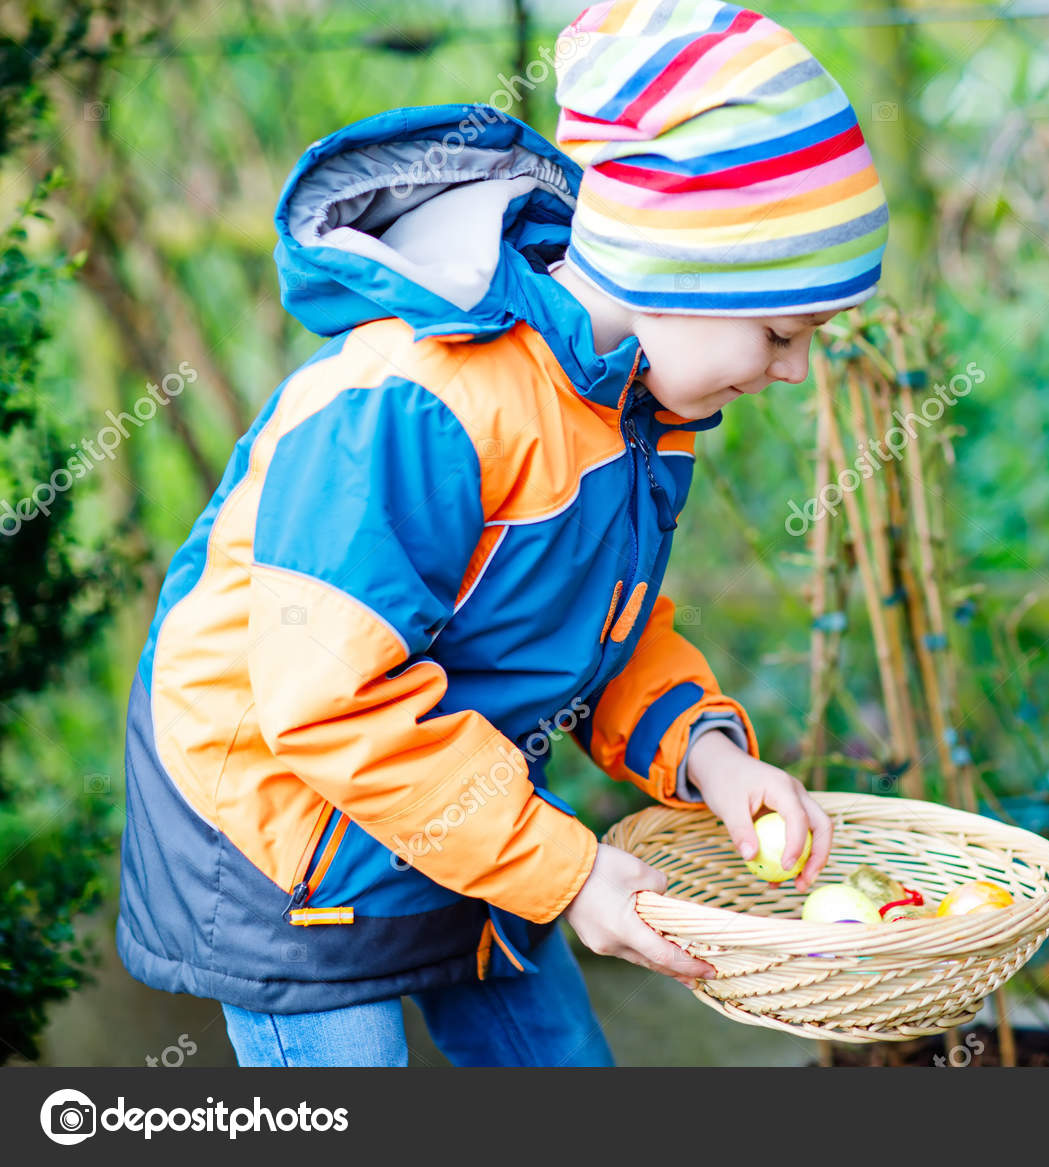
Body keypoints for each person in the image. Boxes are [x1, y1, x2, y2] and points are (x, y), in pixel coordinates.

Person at [114, 0, 889, 1067]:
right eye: (780, 330)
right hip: (285, 828)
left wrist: (708, 755)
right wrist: (566, 874)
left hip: (456, 795)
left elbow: (593, 628)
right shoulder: (415, 409)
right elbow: (329, 707)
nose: (794, 368)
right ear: (675, 275)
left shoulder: (640, 408)